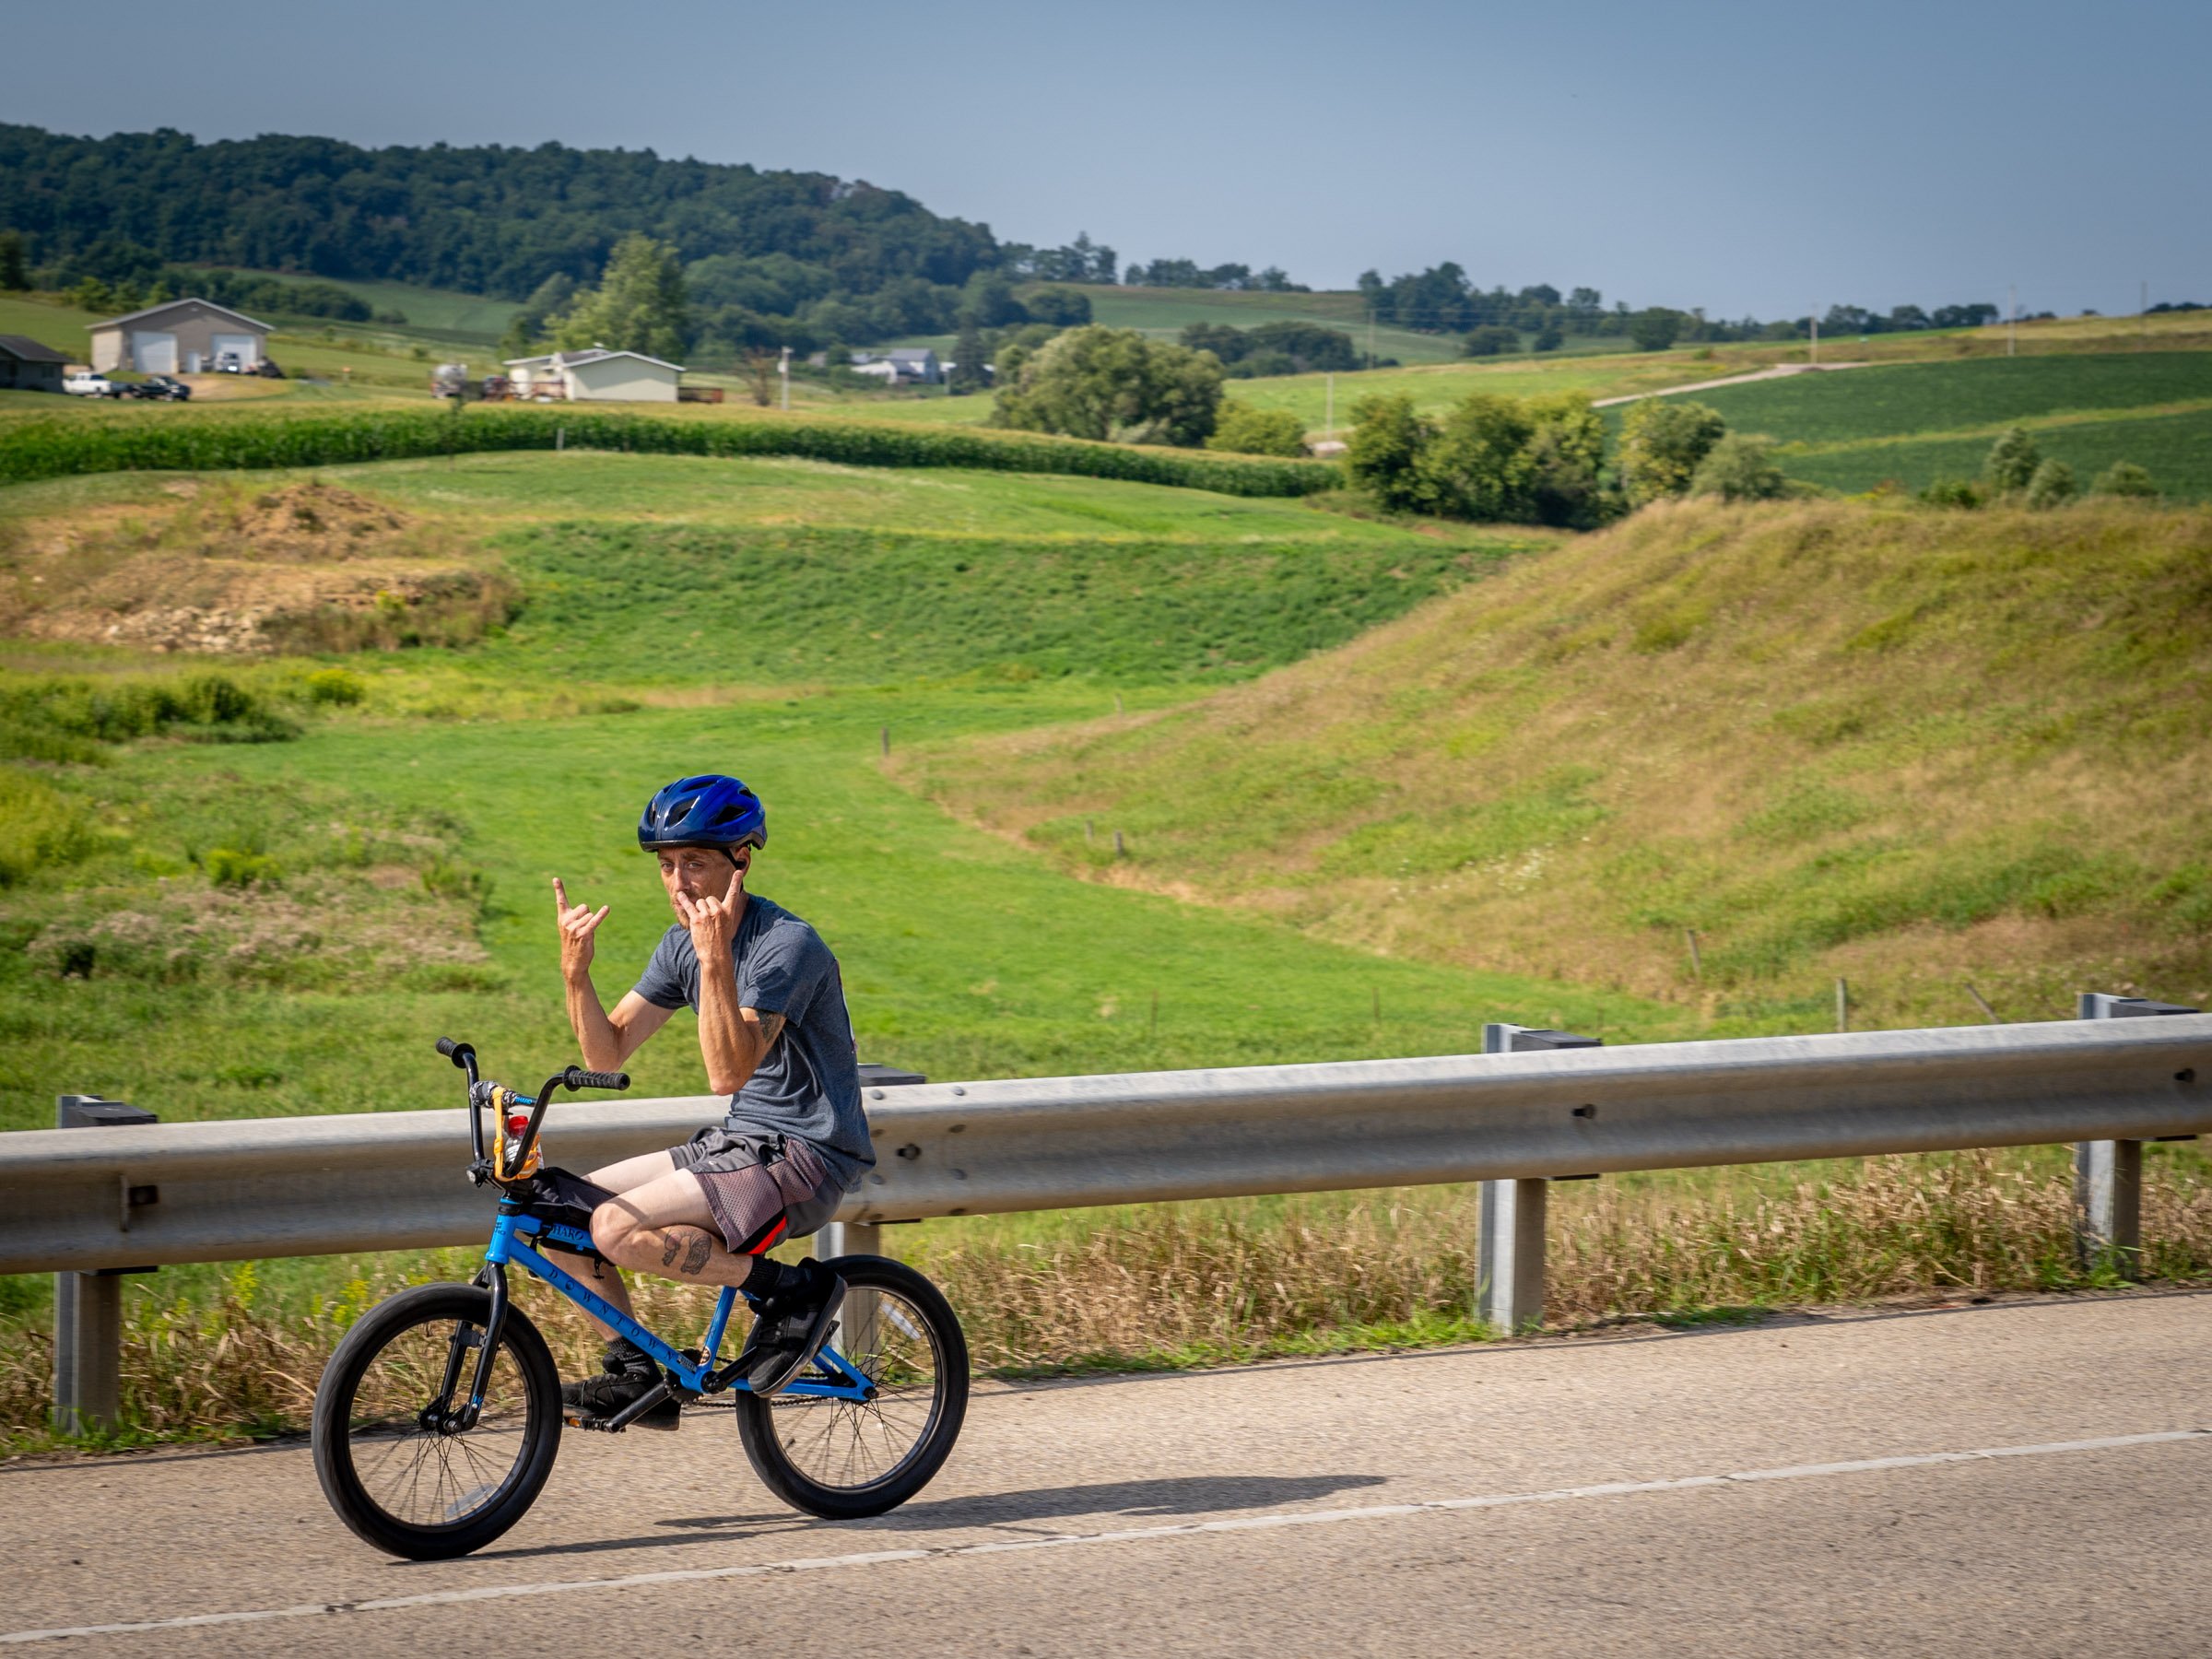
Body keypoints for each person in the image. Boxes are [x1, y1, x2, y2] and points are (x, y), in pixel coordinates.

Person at [543, 773, 873, 1427]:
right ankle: (637, 1374)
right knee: (559, 1215)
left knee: (614, 1227)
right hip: (740, 1144)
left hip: (807, 1156)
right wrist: (575, 975)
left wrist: (716, 958)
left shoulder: (787, 946)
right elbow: (606, 1053)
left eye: (694, 862)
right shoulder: (681, 948)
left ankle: (791, 1292)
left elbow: (728, 1072)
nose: (678, 882)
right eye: (666, 865)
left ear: (741, 858)